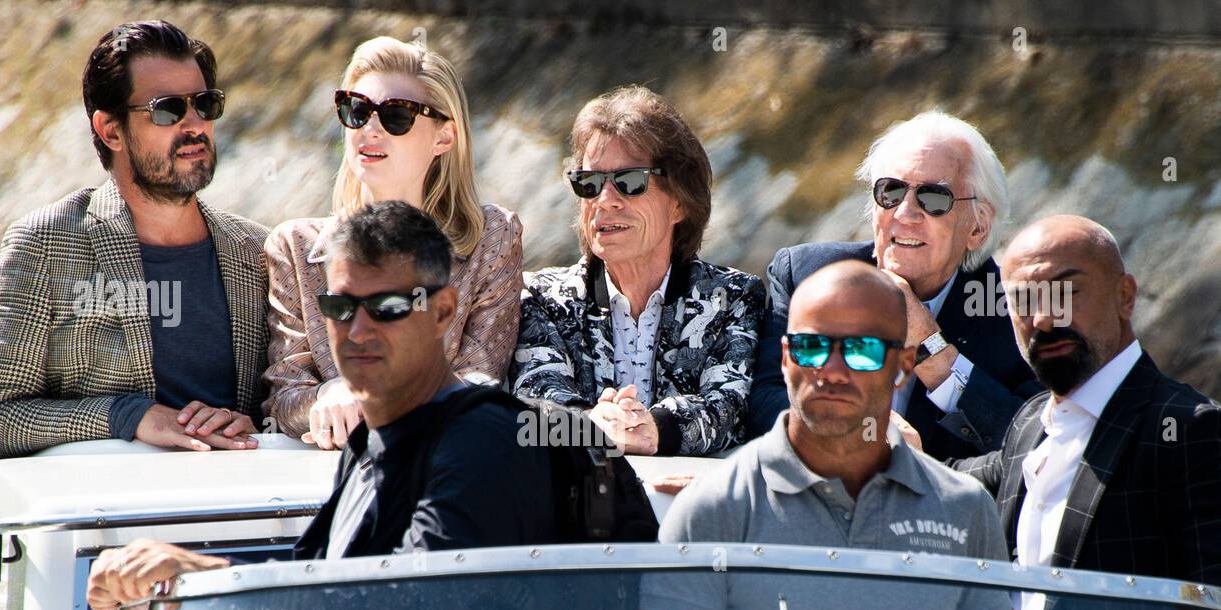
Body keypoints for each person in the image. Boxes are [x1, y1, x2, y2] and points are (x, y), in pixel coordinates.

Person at [629, 260, 1042, 610]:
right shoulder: (715, 510)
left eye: (864, 348)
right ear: (785, 359)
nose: (833, 368)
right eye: (812, 346)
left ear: (903, 365)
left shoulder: (961, 508)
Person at [87, 201, 555, 610]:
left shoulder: (483, 441)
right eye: (339, 307)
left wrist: (204, 572)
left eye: (388, 306)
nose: (358, 332)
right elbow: (313, 574)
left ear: (443, 312)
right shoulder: (372, 444)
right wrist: (171, 585)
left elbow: (406, 607)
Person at [949, 215, 1221, 610]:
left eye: (1065, 290)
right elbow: (954, 487)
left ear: (1125, 295)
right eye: (1023, 299)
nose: (1043, 317)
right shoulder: (1030, 426)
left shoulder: (1191, 432)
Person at [0, 20, 269, 462]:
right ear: (111, 130)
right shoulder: (44, 245)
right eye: (167, 110)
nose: (195, 125)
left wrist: (253, 422)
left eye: (205, 104)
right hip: (105, 524)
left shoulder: (259, 251)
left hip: (240, 518)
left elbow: (289, 397)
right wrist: (129, 416)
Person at [263, 36, 522, 449]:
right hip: (334, 478)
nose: (371, 128)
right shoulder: (294, 246)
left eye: (397, 116)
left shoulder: (493, 236)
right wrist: (328, 396)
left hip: (447, 473)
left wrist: (370, 399)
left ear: (444, 137)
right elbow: (284, 397)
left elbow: (481, 382)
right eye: (357, 110)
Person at [748, 111, 1040, 460]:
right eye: (891, 191)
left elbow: (1034, 440)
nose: (904, 213)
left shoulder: (1016, 307)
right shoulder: (809, 275)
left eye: (933, 198)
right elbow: (764, 400)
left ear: (977, 227)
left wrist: (932, 353)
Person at [509, 86, 764, 457]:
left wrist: (657, 429)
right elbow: (535, 401)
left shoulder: (733, 299)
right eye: (590, 183)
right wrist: (594, 426)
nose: (605, 201)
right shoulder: (542, 298)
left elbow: (731, 406)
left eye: (630, 182)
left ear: (679, 202)